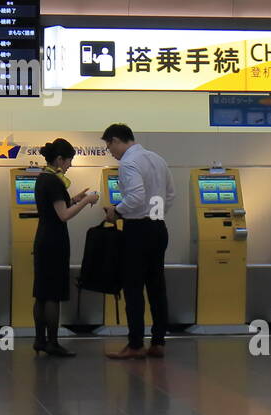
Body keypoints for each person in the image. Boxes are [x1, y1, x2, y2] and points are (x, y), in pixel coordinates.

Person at [101, 124, 175, 360]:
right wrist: (154, 214)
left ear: (116, 140)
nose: (110, 151)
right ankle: (158, 342)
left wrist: (116, 211)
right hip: (158, 227)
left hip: (137, 231)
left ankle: (135, 345)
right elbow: (170, 195)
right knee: (157, 287)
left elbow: (135, 196)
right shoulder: (158, 159)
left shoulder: (128, 163)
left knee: (133, 288)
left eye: (109, 146)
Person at [31, 138, 100, 358]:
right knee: (53, 294)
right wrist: (87, 200)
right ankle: (52, 342)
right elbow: (64, 215)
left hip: (43, 239)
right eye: (69, 160)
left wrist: (76, 197)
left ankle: (40, 340)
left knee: (41, 293)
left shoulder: (43, 178)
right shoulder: (55, 182)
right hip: (55, 242)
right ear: (60, 159)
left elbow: (56, 209)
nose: (70, 165)